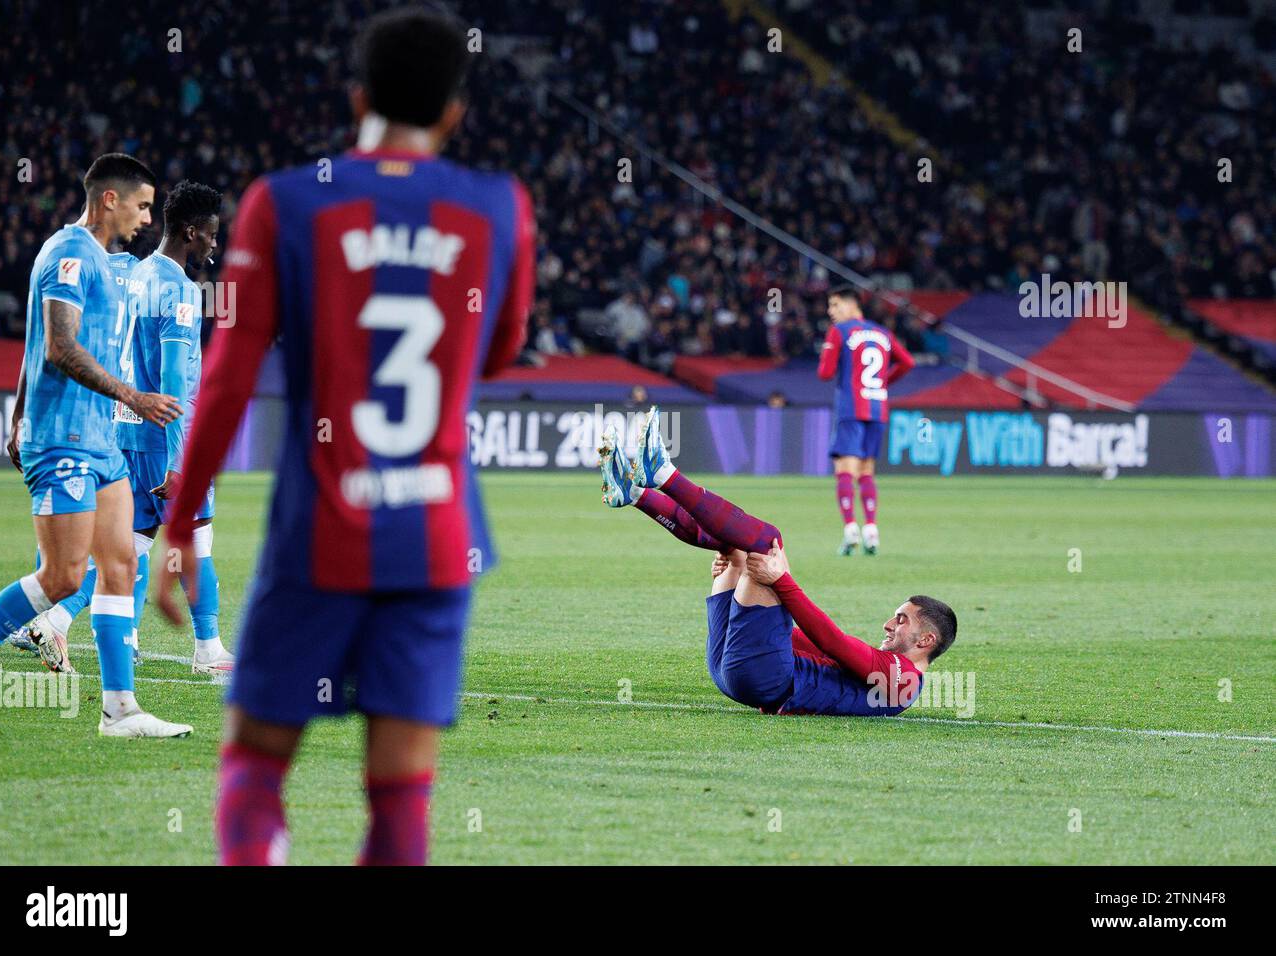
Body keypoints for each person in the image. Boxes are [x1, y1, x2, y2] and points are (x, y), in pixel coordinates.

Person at [151, 8, 533, 865]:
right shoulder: (499, 206)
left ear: (355, 95)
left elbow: (226, 377)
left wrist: (178, 523)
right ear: (455, 111)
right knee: (400, 804)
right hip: (436, 543)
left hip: (319, 537)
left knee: (252, 772)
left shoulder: (284, 202)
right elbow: (500, 350)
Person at [0, 153, 190, 737]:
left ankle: (120, 710)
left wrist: (18, 409)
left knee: (120, 566)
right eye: (143, 205)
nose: (149, 218)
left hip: (100, 442)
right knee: (62, 579)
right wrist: (136, 397)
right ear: (111, 200)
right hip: (64, 438)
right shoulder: (69, 253)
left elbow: (34, 342)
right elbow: (59, 347)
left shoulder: (107, 261)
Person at [599, 406, 956, 716]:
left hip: (765, 677)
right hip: (741, 672)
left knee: (768, 542)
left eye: (901, 619)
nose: (887, 624)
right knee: (736, 553)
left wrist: (780, 582)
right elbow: (813, 645)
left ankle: (664, 475)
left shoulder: (906, 680)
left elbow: (832, 642)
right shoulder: (893, 673)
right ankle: (635, 494)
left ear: (926, 640)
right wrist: (754, 601)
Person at [817, 287, 914, 555]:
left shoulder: (840, 331)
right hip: (877, 409)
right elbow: (907, 362)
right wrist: (883, 383)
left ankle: (850, 529)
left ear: (851, 306)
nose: (831, 311)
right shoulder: (882, 333)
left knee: (844, 469)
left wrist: (829, 350)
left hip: (851, 408)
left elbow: (824, 373)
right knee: (867, 470)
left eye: (835, 305)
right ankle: (872, 529)